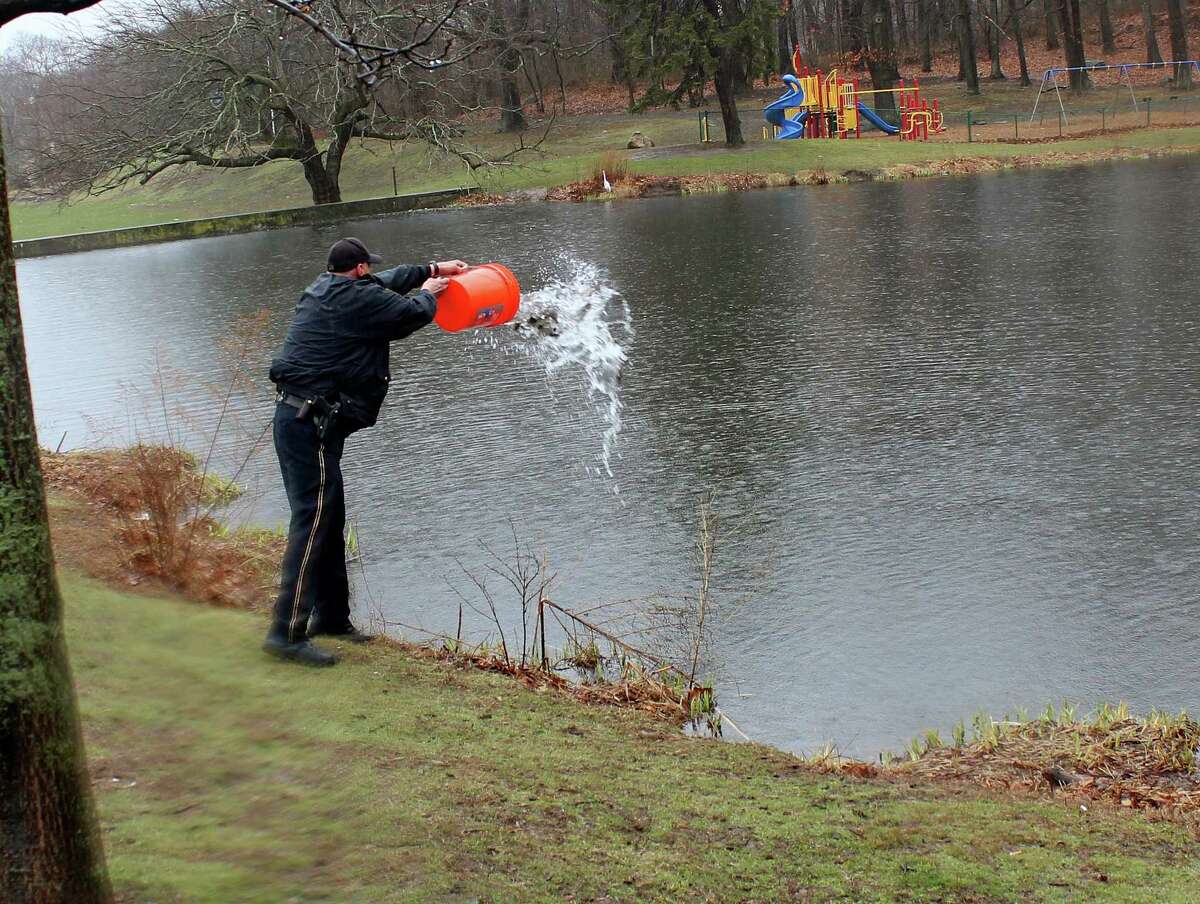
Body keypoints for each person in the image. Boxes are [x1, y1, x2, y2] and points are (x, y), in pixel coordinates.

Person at [263, 237, 468, 666]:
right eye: (366, 268)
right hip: (308, 426)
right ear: (357, 269)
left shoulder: (328, 288)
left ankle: (333, 619)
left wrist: (432, 267)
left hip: (308, 420)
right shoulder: (358, 302)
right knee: (313, 522)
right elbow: (409, 314)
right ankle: (285, 635)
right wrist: (430, 294)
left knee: (329, 518)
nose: (371, 273)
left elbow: (388, 281)